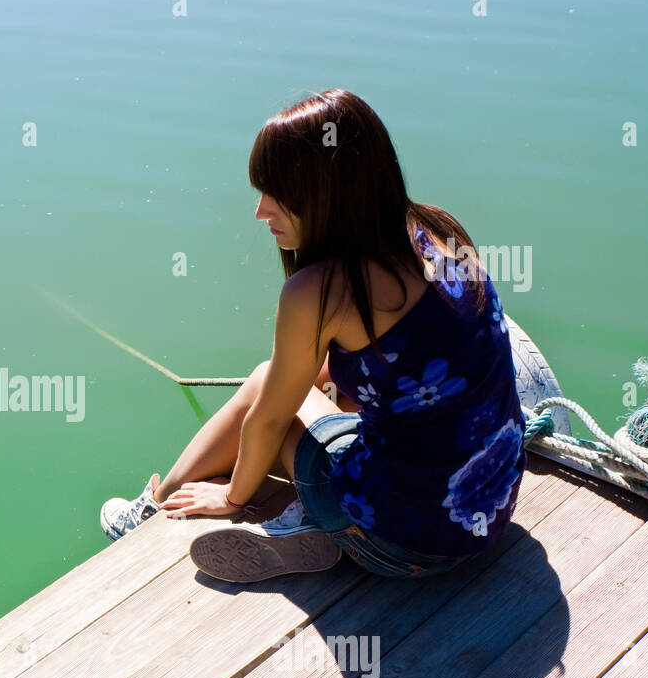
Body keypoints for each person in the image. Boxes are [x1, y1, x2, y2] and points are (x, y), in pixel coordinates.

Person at [99, 89, 527, 583]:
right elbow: (403, 357)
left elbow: (269, 418)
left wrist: (233, 496)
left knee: (267, 384)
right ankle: (302, 521)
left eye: (276, 194)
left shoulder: (319, 293)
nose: (261, 212)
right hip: (484, 515)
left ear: (328, 193)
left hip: (400, 542)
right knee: (310, 384)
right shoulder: (433, 230)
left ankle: (156, 508)